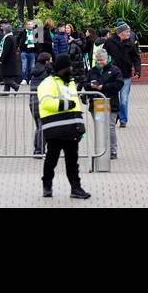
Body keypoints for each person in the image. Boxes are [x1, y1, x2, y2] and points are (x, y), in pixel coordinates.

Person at [37, 54, 91, 200]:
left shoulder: (70, 82)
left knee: (72, 161)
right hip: (56, 130)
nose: (72, 69)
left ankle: (76, 188)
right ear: (62, 69)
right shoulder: (48, 83)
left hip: (72, 129)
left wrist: (80, 126)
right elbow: (46, 103)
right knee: (51, 159)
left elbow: (76, 105)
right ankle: (47, 185)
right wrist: (66, 105)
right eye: (69, 67)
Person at [85, 46, 124, 160]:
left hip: (111, 103)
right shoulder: (92, 70)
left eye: (102, 60)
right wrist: (90, 86)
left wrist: (104, 87)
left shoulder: (115, 70)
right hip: (96, 103)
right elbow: (84, 83)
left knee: (110, 127)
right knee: (99, 127)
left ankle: (113, 151)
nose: (100, 62)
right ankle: (100, 150)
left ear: (107, 59)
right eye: (98, 60)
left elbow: (119, 84)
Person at [104, 21, 141, 127]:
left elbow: (136, 58)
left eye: (129, 31)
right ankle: (115, 117)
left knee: (124, 99)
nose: (129, 33)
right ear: (120, 33)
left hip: (126, 76)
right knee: (114, 99)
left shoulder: (130, 43)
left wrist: (137, 71)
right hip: (113, 76)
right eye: (127, 31)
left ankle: (123, 120)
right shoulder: (109, 42)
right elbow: (103, 55)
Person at [28, 51, 54, 157]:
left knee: (39, 126)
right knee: (42, 127)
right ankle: (39, 150)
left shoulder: (35, 71)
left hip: (33, 101)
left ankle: (37, 149)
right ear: (47, 61)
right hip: (42, 100)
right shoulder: (46, 72)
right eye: (51, 60)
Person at [0, 20, 21, 93]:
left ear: (5, 31)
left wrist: (0, 59)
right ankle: (6, 92)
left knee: (5, 77)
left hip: (8, 61)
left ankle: (15, 86)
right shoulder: (12, 37)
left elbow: (5, 50)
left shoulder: (8, 38)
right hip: (11, 60)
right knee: (8, 76)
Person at [19, 19, 40, 84]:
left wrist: (37, 50)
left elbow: (38, 42)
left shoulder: (36, 32)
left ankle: (31, 79)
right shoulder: (23, 32)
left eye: (30, 24)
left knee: (32, 66)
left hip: (32, 51)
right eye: (28, 24)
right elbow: (18, 39)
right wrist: (19, 46)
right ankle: (24, 79)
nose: (29, 25)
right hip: (24, 51)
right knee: (24, 66)